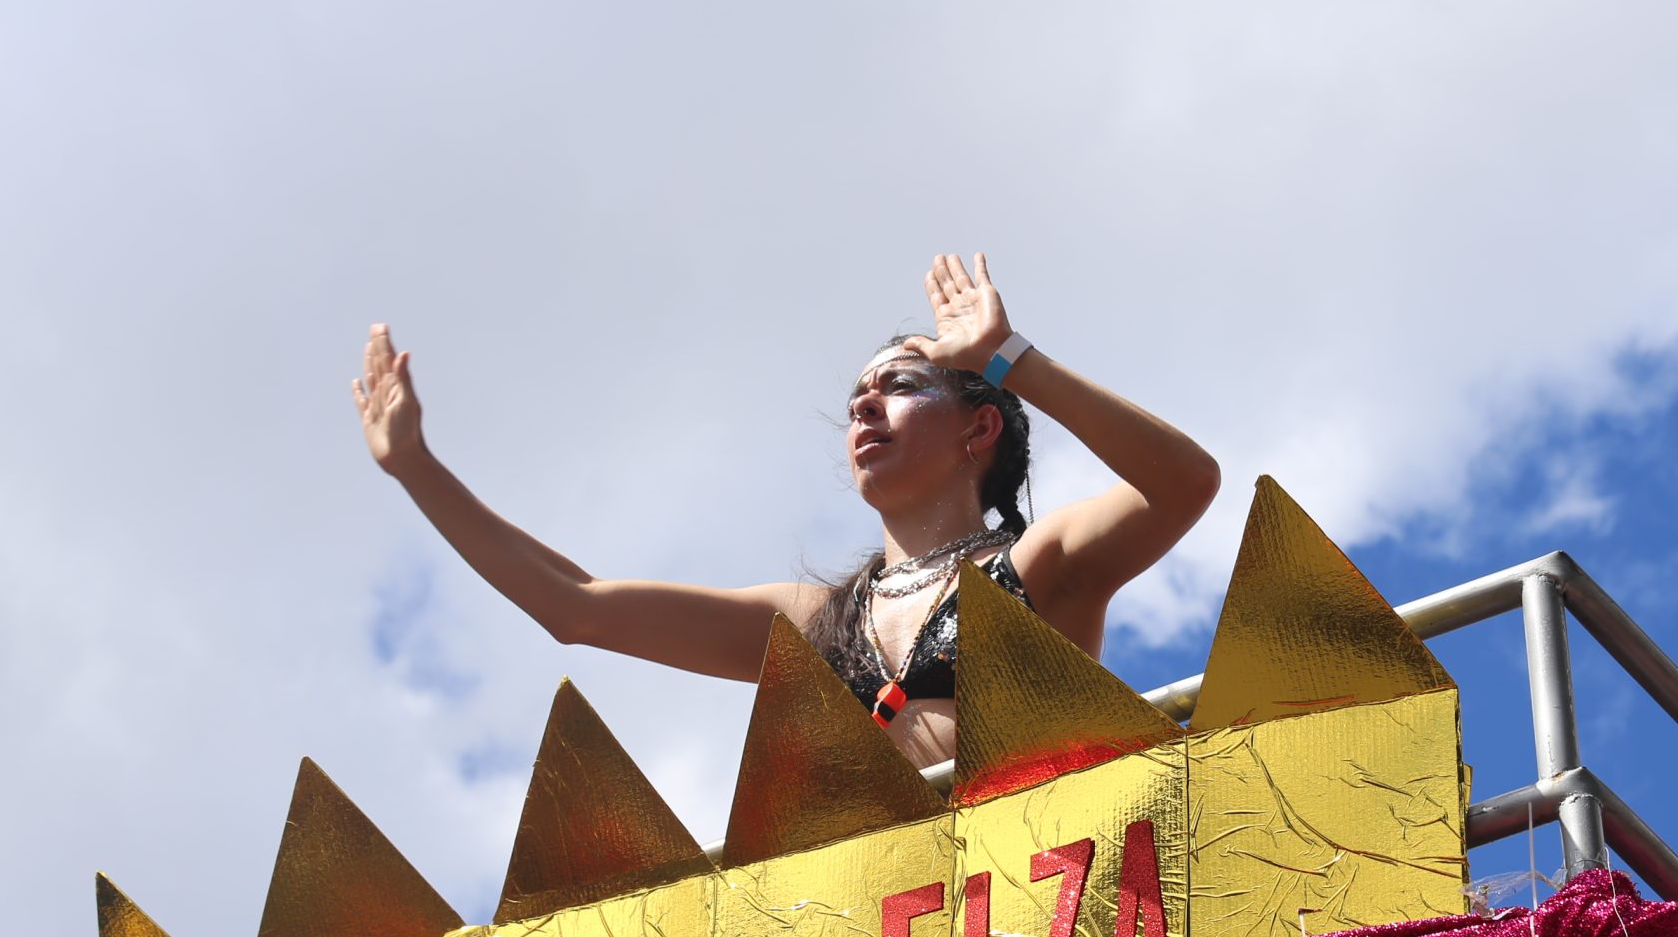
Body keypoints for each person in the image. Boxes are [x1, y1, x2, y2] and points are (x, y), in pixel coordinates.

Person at [351, 253, 1221, 770]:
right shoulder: (815, 621)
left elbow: (1184, 482)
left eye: (902, 385)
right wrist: (416, 469)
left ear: (979, 426)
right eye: (856, 396)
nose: (865, 407)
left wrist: (1011, 357)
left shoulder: (1039, 566)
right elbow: (574, 606)